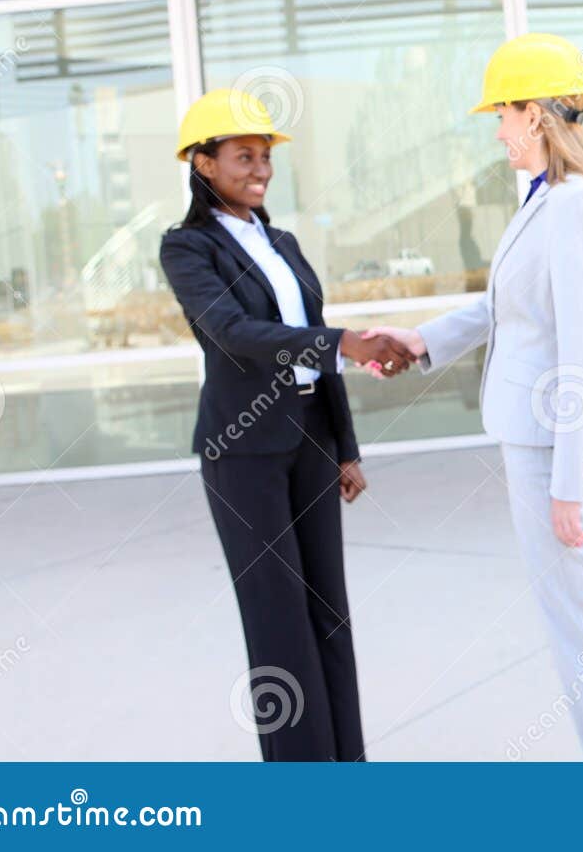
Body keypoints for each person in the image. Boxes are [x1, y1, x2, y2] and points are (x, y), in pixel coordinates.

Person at [368, 34, 583, 761]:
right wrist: (420, 339)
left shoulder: (570, 205)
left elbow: (581, 351)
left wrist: (568, 483)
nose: (496, 131)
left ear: (534, 115)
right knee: (573, 627)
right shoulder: (544, 200)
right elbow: (509, 312)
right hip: (530, 444)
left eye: (501, 114)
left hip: (549, 451)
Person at [159, 88, 416, 762]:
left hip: (311, 438)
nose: (260, 169)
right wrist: (343, 342)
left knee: (329, 614)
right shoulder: (187, 247)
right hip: (243, 451)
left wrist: (346, 446)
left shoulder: (283, 242)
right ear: (203, 163)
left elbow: (310, 342)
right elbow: (234, 332)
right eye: (244, 155)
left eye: (266, 156)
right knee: (279, 625)